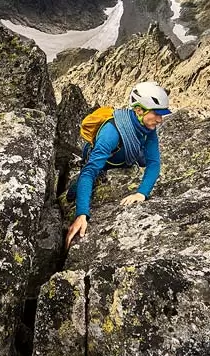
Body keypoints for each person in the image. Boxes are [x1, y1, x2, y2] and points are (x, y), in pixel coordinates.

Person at [65, 81, 171, 249]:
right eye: (156, 114)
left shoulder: (147, 129)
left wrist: (141, 193)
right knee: (78, 188)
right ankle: (70, 193)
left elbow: (153, 163)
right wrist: (81, 214)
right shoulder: (111, 133)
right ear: (138, 110)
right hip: (102, 160)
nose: (160, 120)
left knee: (141, 159)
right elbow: (89, 171)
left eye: (162, 114)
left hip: (120, 158)